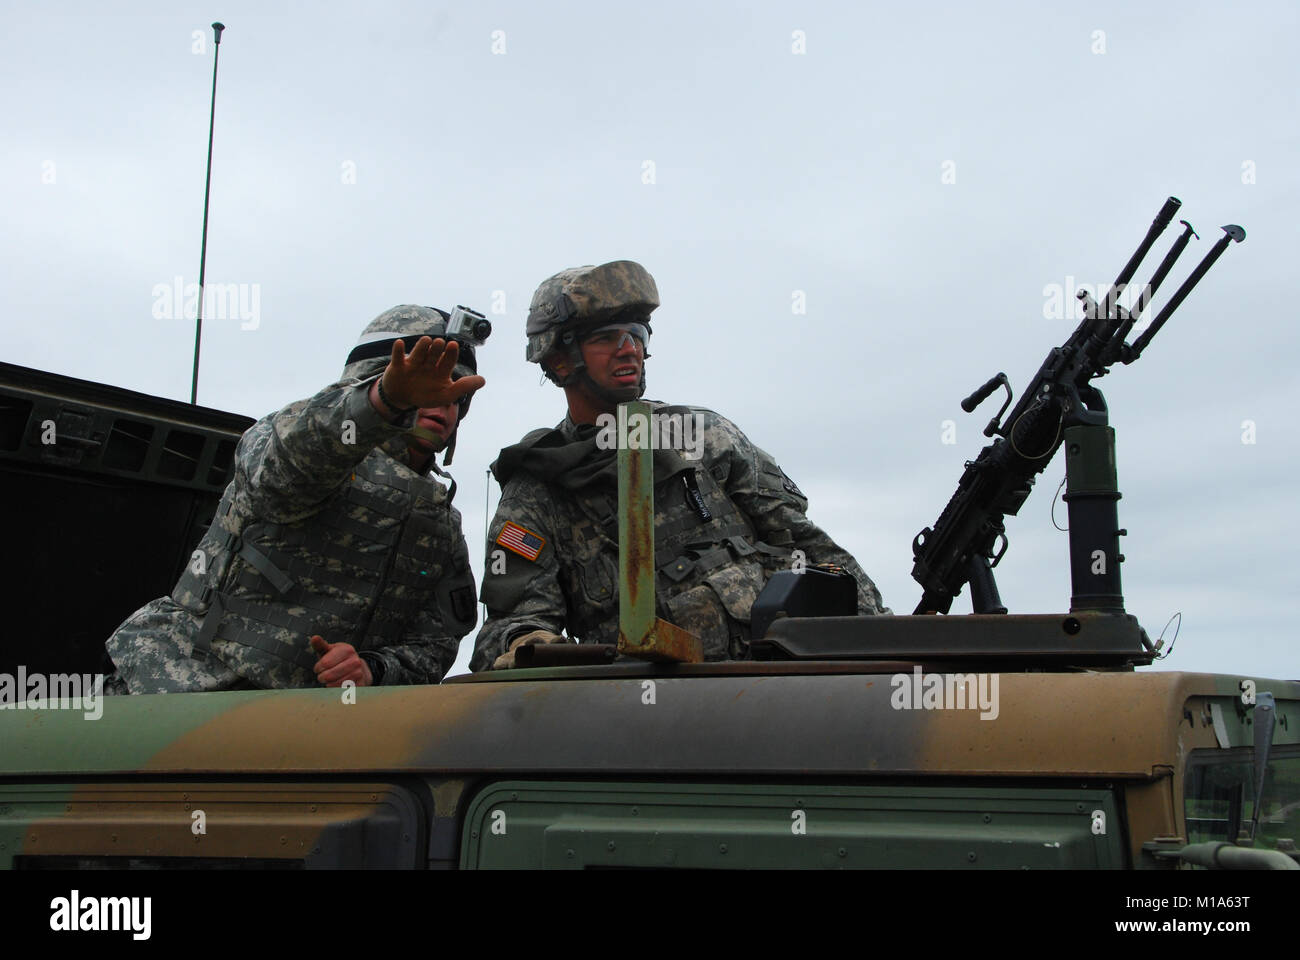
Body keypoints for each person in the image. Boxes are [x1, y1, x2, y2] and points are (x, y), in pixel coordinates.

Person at [472, 261, 888, 671]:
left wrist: (885, 639)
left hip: (773, 686)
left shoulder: (702, 435)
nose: (629, 349)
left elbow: (811, 550)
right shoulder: (539, 488)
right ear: (559, 359)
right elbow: (511, 623)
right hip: (653, 711)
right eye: (606, 337)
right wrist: (528, 642)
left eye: (636, 335)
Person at [107, 305, 485, 693]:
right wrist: (380, 402)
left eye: (456, 394)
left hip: (304, 723)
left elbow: (434, 643)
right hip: (182, 687)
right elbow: (280, 480)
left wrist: (373, 670)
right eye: (429, 384)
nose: (443, 403)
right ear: (377, 376)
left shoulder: (440, 521)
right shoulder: (296, 438)